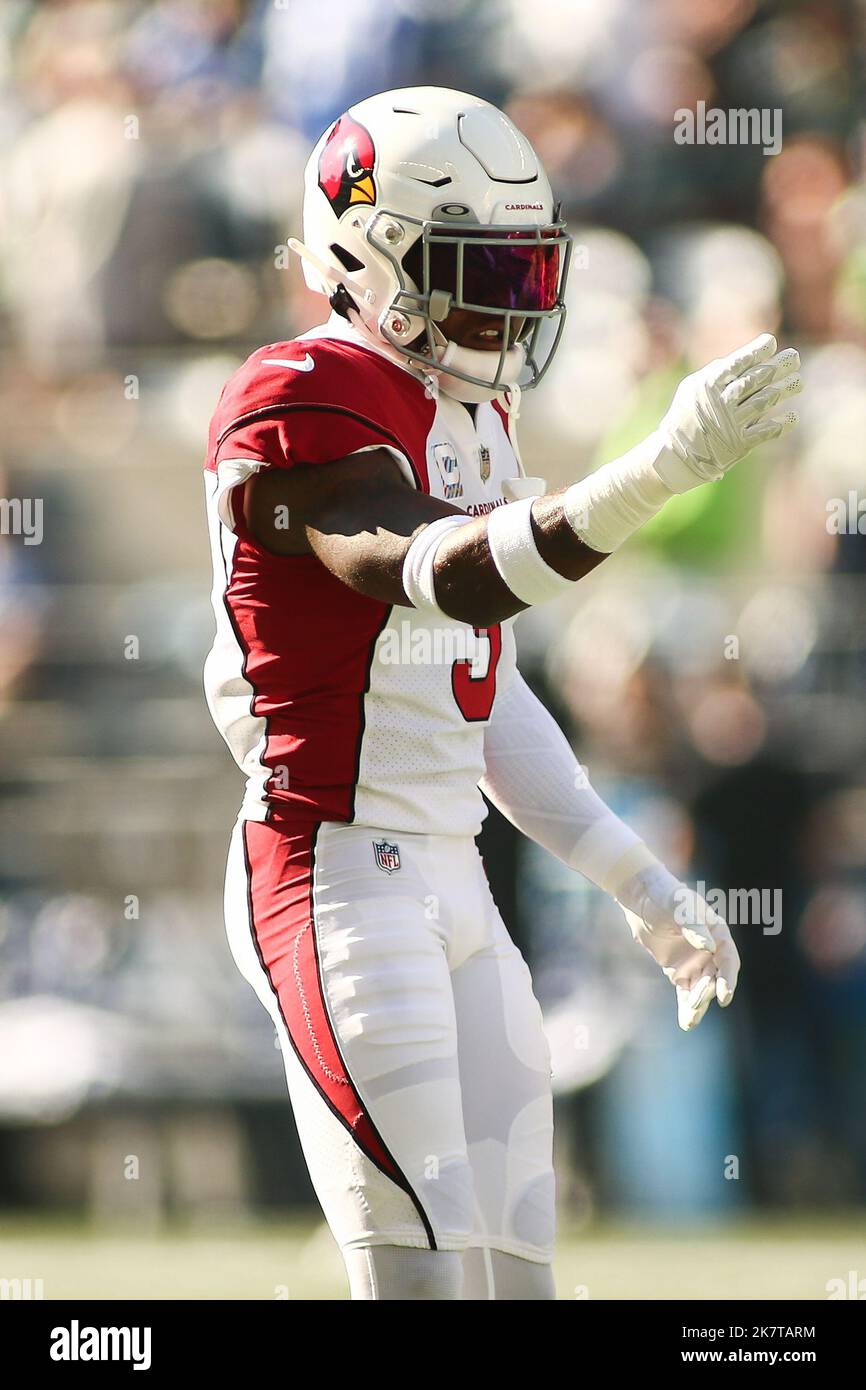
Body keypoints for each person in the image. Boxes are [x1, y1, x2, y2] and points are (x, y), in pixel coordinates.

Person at [203, 86, 802, 1300]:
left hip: (453, 873)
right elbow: (434, 575)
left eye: (527, 273)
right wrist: (655, 473)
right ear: (368, 257)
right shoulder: (299, 389)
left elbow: (483, 693)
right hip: (328, 873)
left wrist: (634, 877)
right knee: (422, 1287)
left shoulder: (473, 410)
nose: (508, 306)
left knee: (515, 1278)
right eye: (477, 269)